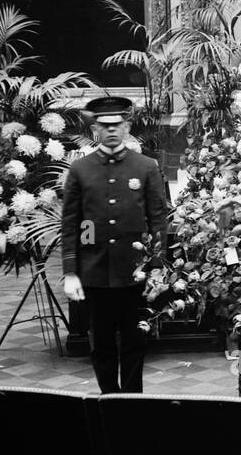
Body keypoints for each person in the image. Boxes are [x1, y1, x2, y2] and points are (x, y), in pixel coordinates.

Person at [61, 96, 169, 393]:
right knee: (102, 344)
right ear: (95, 128)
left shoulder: (145, 166)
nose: (111, 130)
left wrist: (157, 265)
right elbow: (71, 223)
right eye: (104, 126)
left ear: (127, 126)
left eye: (117, 125)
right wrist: (71, 271)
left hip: (134, 271)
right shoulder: (81, 169)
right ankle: (107, 399)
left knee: (135, 342)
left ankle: (132, 401)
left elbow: (158, 219)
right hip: (96, 272)